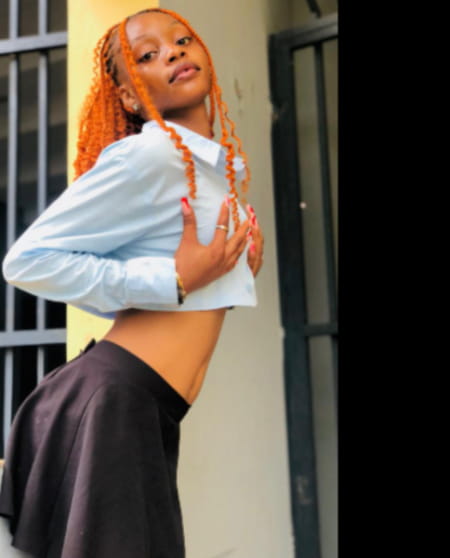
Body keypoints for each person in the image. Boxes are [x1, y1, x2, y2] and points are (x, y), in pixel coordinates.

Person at [0, 7, 264, 558]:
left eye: (182, 39)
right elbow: (26, 260)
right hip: (116, 397)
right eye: (147, 55)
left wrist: (227, 275)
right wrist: (173, 278)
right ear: (127, 96)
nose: (173, 52)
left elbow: (186, 291)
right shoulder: (153, 153)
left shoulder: (214, 168)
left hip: (147, 406)